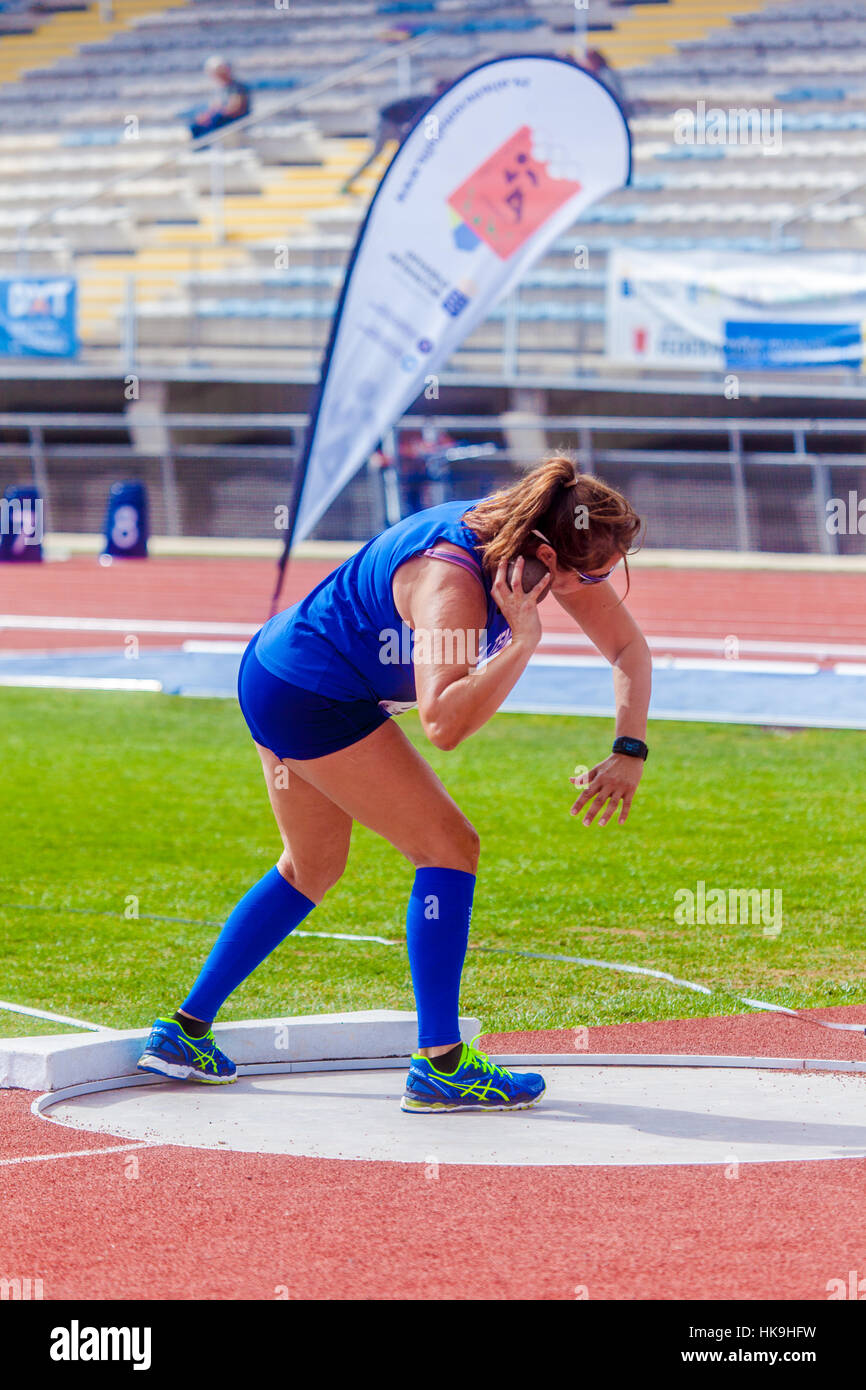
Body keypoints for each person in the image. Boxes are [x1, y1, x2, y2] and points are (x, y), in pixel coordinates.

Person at [137, 457, 650, 1113]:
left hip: (281, 669)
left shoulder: (527, 543)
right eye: (590, 576)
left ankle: (182, 1034)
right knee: (449, 848)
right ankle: (441, 1064)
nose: (595, 589)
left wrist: (628, 748)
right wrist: (521, 643)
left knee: (312, 866)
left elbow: (628, 649)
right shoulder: (453, 581)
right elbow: (443, 723)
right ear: (548, 552)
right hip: (308, 693)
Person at [341, 80, 448, 195]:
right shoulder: (429, 103)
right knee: (384, 155)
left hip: (392, 123)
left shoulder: (428, 102)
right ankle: (351, 183)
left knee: (405, 153)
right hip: (388, 123)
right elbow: (426, 130)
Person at [189, 56, 251, 141]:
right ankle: (200, 149)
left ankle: (210, 146)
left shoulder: (237, 87)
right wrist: (206, 115)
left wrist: (215, 113)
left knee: (215, 120)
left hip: (235, 120)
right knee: (196, 125)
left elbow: (236, 108)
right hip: (222, 117)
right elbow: (215, 106)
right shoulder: (220, 89)